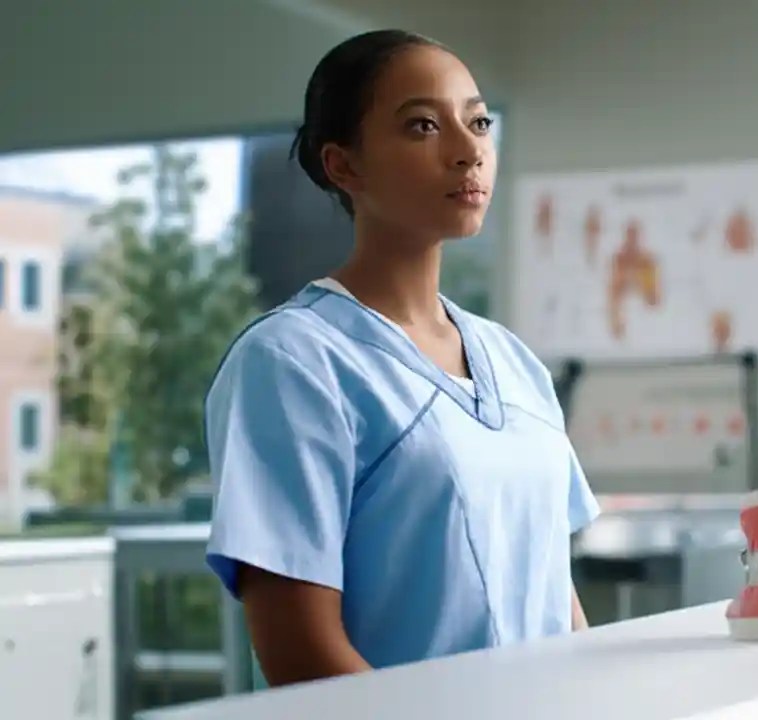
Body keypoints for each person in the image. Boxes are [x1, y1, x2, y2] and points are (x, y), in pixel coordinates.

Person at [203, 29, 600, 687]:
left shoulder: (515, 362)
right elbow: (302, 659)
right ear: (344, 167)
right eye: (422, 125)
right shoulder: (294, 361)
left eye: (478, 122)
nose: (468, 150)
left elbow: (558, 604)